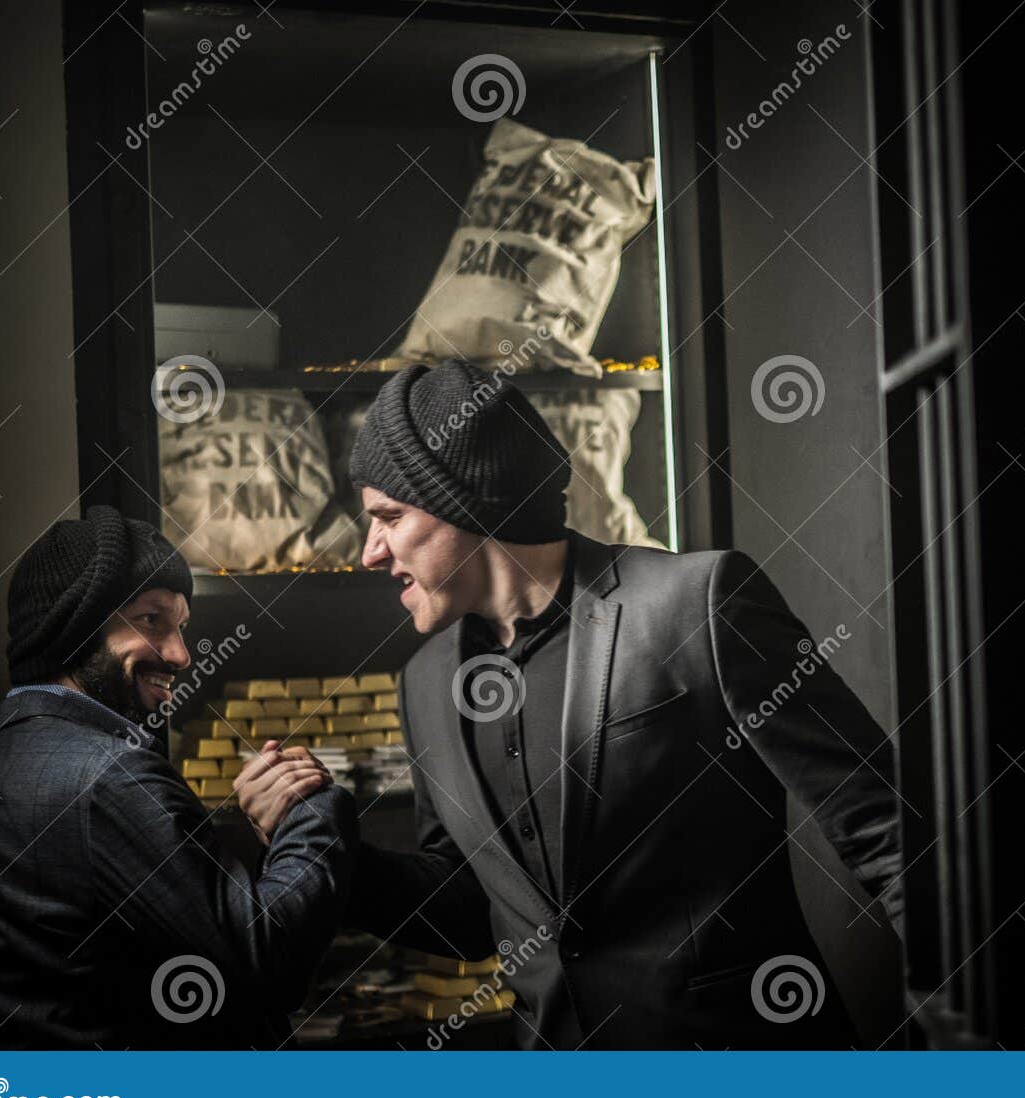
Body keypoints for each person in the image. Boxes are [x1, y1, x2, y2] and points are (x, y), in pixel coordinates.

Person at [240, 361, 905, 1048]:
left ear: (463, 502)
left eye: (388, 516)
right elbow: (469, 915)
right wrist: (318, 836)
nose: (369, 552)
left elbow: (885, 829)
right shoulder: (425, 682)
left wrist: (973, 1031)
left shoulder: (697, 603)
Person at [0, 505, 355, 1047]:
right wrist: (308, 809)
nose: (181, 655)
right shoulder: (112, 777)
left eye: (182, 627)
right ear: (74, 627)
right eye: (151, 621)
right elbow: (265, 967)